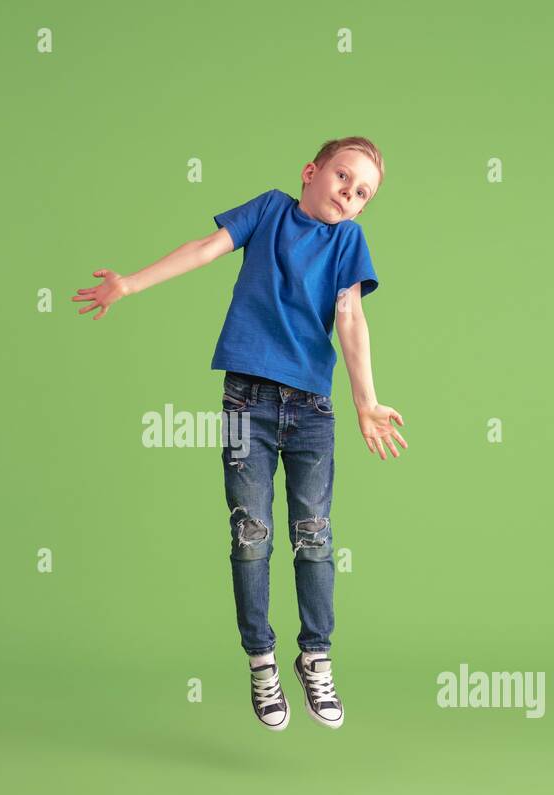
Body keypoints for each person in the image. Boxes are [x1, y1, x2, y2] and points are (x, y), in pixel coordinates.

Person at [73, 137, 406, 731]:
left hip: (311, 408)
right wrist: (130, 284)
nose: (349, 196)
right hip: (244, 402)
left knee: (314, 534)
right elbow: (205, 249)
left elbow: (351, 317)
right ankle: (261, 659)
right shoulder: (270, 210)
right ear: (311, 171)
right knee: (250, 533)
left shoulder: (347, 241)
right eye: (342, 178)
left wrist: (366, 402)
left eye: (363, 194)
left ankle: (316, 655)